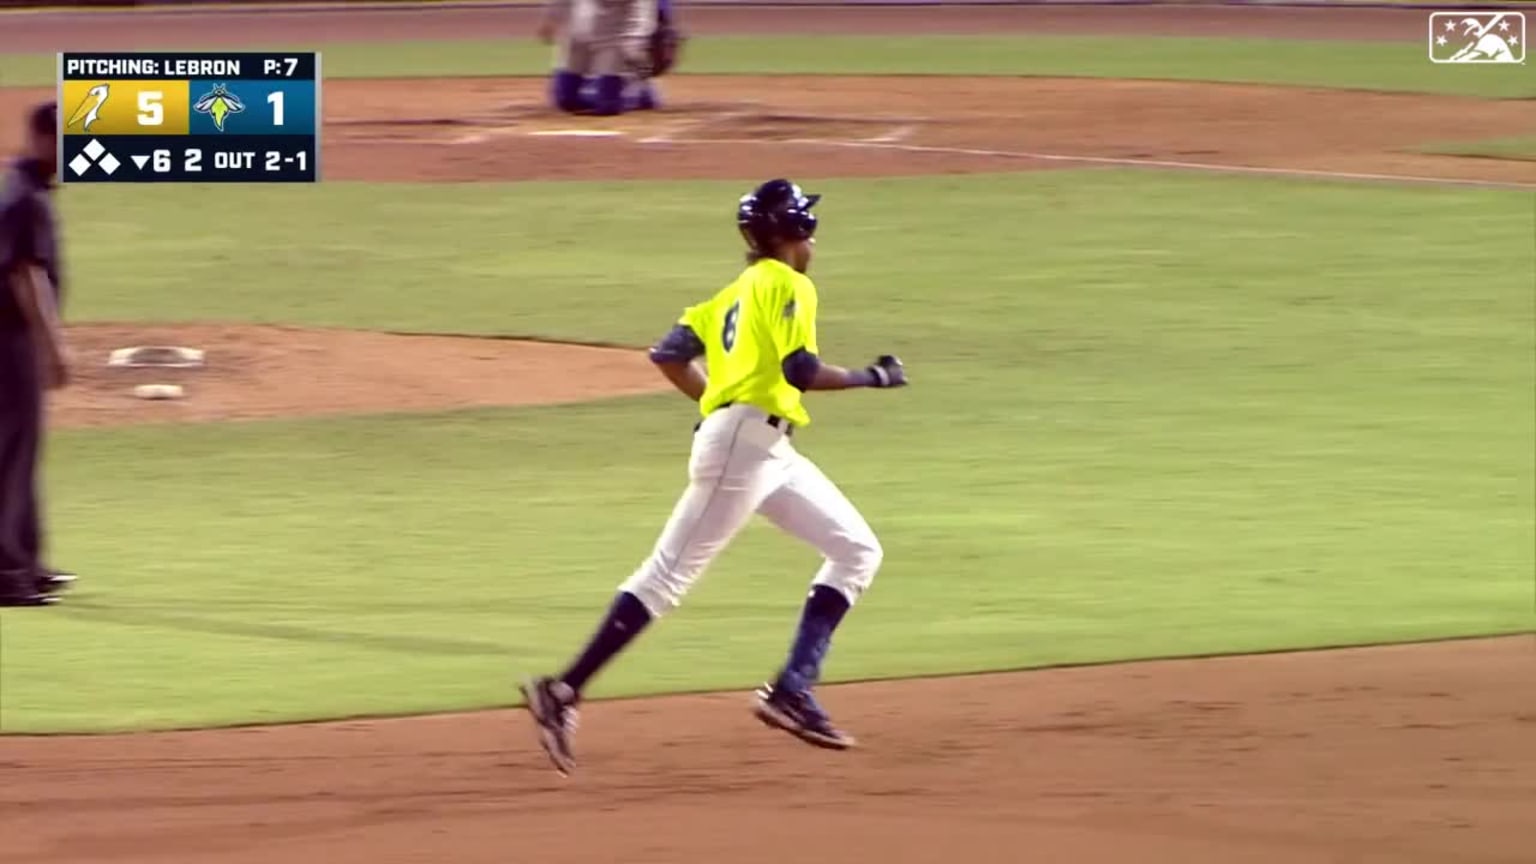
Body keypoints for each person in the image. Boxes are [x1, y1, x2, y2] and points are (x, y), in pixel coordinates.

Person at [521, 179, 908, 774]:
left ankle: (793, 690)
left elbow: (669, 353)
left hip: (764, 450)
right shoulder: (786, 283)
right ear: (792, 230)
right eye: (806, 221)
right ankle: (563, 691)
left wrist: (716, 408)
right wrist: (870, 377)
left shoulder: (732, 294)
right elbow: (800, 369)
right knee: (666, 577)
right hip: (744, 447)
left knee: (857, 550)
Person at [0, 102, 74, 608]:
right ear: (45, 140)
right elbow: (24, 272)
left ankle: (26, 563)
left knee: (21, 454)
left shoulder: (25, 191)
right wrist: (52, 345)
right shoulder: (25, 198)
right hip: (8, 342)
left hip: (13, 339)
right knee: (9, 455)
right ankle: (6, 575)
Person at [538, 0, 665, 115]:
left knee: (607, 106)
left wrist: (635, 41)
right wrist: (551, 18)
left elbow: (644, 12)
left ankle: (640, 93)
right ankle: (600, 86)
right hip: (579, 38)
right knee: (565, 101)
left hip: (613, 39)